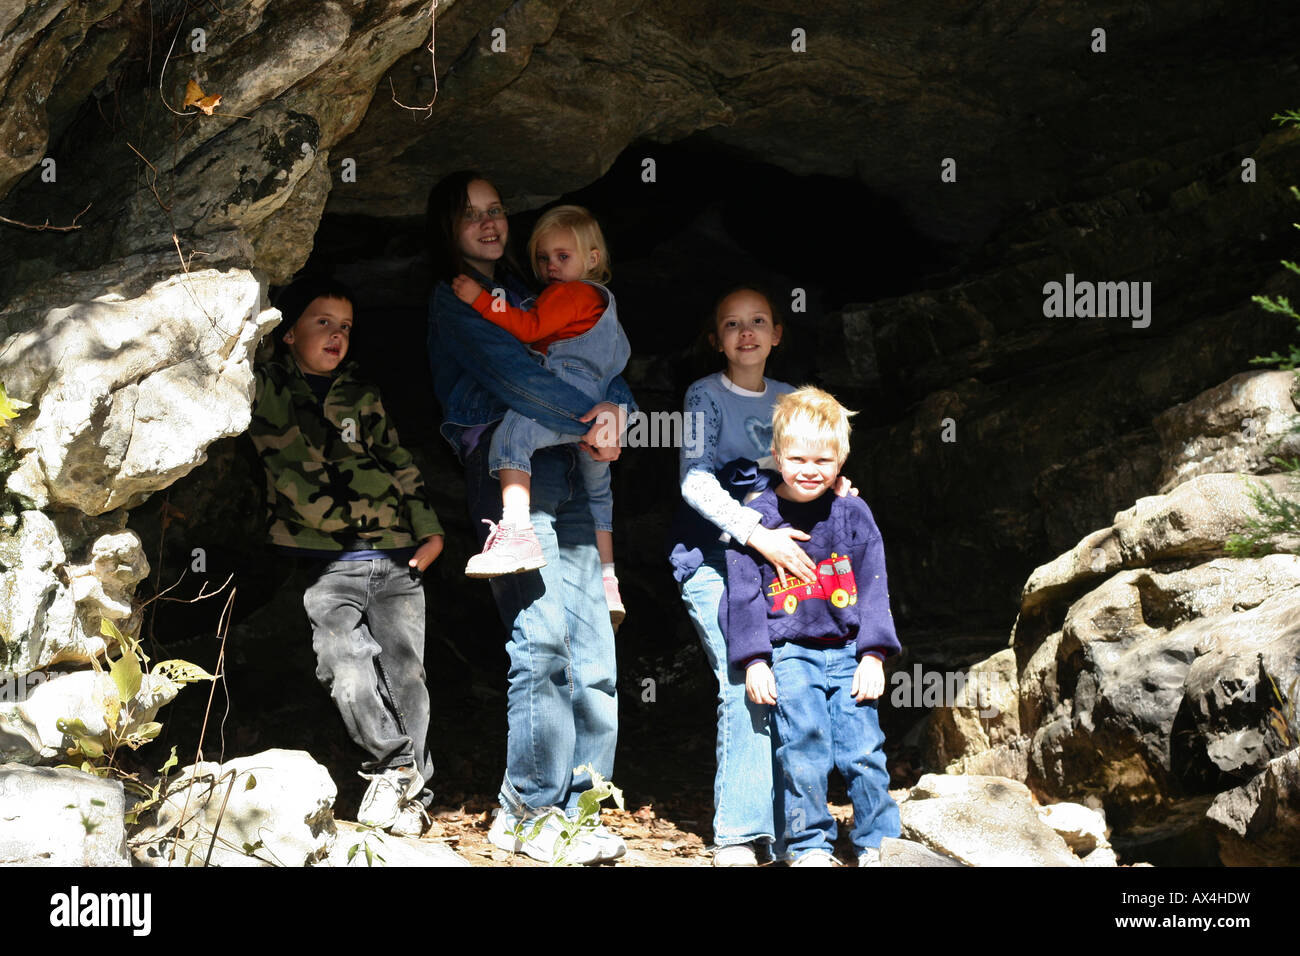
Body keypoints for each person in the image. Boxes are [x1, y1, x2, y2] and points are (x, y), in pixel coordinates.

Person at [426, 171, 633, 864]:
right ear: (447, 231)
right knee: (542, 645)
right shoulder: (453, 302)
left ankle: (582, 812)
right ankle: (526, 809)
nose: (489, 225)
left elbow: (603, 364)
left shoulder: (539, 295)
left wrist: (619, 411)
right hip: (511, 480)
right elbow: (514, 377)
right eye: (470, 216)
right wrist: (591, 418)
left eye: (497, 210)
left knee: (596, 661)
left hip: (573, 476)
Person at [249, 277, 444, 837]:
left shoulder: (360, 390)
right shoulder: (266, 389)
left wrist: (430, 532)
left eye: (346, 326)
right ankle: (392, 766)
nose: (337, 335)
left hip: (398, 554)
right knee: (344, 663)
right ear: (287, 334)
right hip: (327, 561)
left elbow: (397, 459)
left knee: (407, 674)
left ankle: (411, 797)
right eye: (322, 322)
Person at [722, 386, 902, 866]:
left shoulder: (852, 513)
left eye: (823, 460)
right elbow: (741, 594)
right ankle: (808, 847)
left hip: (847, 652)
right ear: (776, 455)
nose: (809, 470)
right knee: (803, 749)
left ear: (840, 461)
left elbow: (874, 582)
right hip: (790, 652)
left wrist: (873, 653)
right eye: (797, 457)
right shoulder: (756, 520)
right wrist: (755, 659)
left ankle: (880, 844)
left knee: (864, 750)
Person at [674, 286, 813, 866]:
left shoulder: (792, 399)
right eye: (732, 324)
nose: (747, 332)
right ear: (717, 339)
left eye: (759, 321)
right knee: (742, 677)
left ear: (778, 332)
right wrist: (755, 532)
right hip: (713, 559)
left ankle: (790, 834)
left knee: (788, 676)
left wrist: (839, 491)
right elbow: (696, 479)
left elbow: (817, 462)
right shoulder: (704, 395)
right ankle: (738, 835)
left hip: (775, 565)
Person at [450, 204, 631, 630]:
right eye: (543, 258)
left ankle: (516, 531)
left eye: (562, 257)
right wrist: (613, 415)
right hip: (596, 401)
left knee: (511, 437)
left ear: (592, 259)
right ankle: (609, 581)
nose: (550, 266)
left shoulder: (571, 293)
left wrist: (479, 300)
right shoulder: (608, 309)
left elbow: (529, 329)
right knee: (599, 497)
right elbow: (618, 365)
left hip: (563, 392)